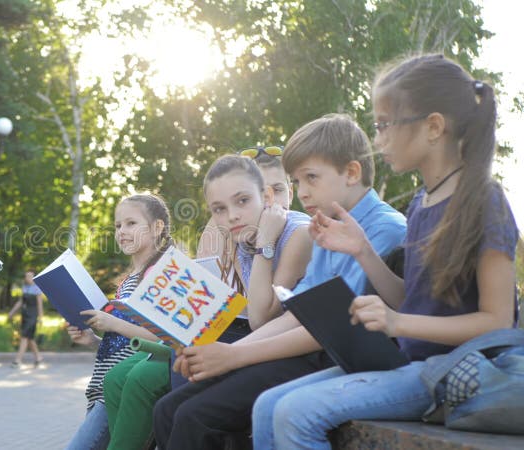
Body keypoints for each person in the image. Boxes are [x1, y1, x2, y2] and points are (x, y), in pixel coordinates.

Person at [254, 53, 519, 449]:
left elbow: (497, 323)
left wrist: (397, 325)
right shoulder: (422, 203)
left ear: (433, 127)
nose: (377, 141)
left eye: (385, 125)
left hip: (453, 372)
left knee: (296, 413)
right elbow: (411, 302)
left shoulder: (482, 199)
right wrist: (363, 252)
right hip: (410, 364)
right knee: (266, 406)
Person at [152, 113, 408, 450]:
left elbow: (333, 328)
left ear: (351, 172)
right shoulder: (328, 226)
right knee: (167, 409)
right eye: (297, 182)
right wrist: (227, 351)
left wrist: (235, 356)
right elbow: (299, 312)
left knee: (195, 416)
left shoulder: (382, 229)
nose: (300, 193)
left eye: (310, 179)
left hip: (339, 357)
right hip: (313, 348)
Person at [102, 152, 313, 450]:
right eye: (219, 209)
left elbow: (261, 316)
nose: (232, 216)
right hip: (266, 338)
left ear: (266, 196)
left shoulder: (296, 233)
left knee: (189, 410)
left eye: (242, 201)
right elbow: (251, 303)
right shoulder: (242, 237)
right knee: (166, 407)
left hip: (293, 348)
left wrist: (265, 245)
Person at [63, 194, 171, 450]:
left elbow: (162, 338)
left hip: (124, 393)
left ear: (157, 227)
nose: (122, 231)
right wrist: (92, 340)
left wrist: (112, 323)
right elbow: (126, 344)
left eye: (131, 223)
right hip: (102, 389)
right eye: (118, 225)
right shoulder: (127, 281)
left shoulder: (162, 275)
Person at [8, 270, 45, 367]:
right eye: (26, 276)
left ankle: (18, 360)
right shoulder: (25, 287)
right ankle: (38, 358)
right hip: (25, 315)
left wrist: (41, 318)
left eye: (29, 276)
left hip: (33, 315)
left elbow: (39, 304)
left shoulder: (37, 289)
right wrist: (12, 312)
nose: (27, 278)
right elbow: (20, 302)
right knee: (30, 338)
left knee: (24, 336)